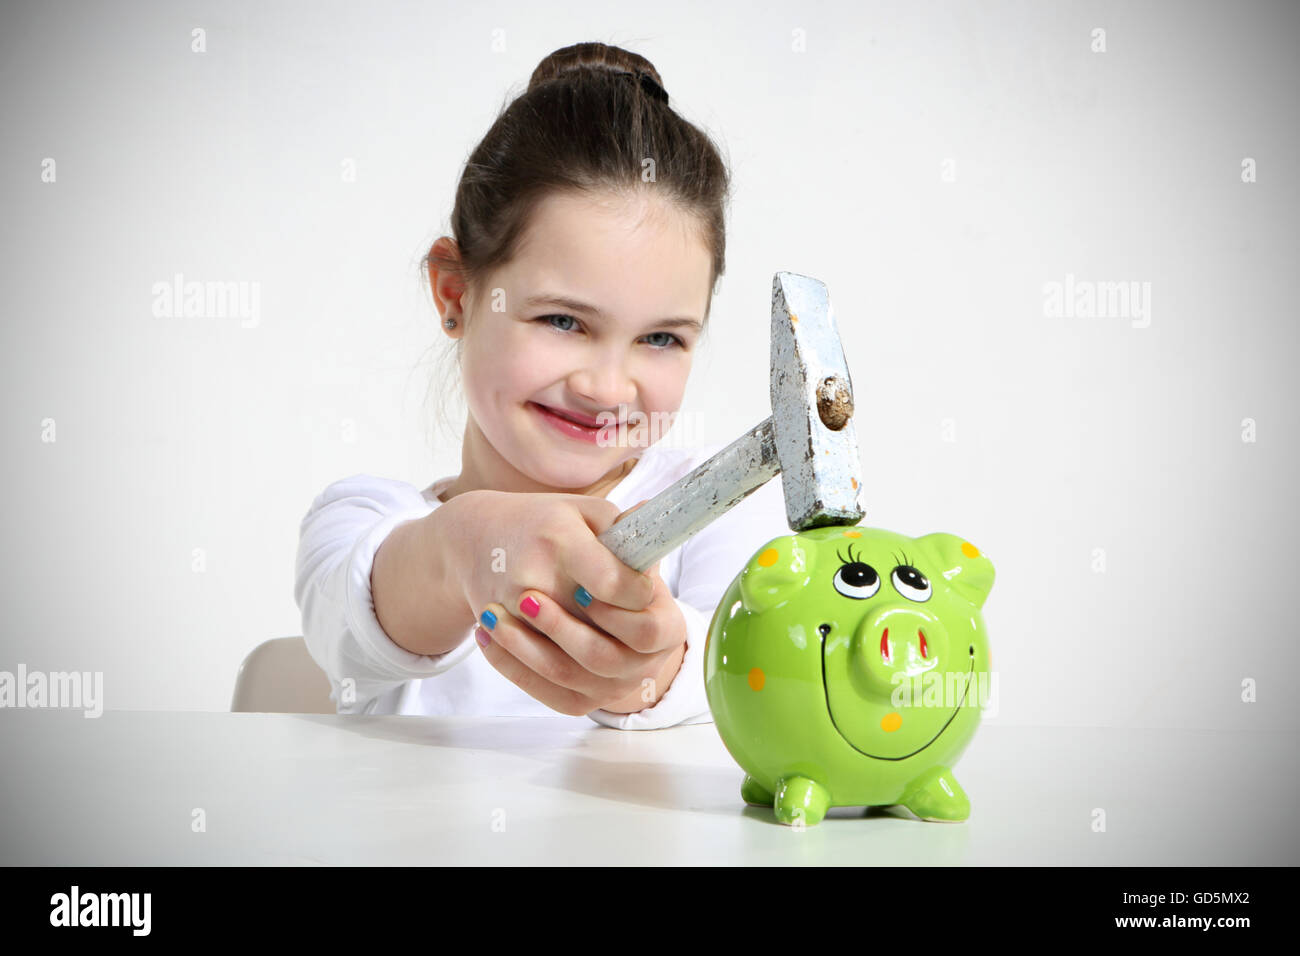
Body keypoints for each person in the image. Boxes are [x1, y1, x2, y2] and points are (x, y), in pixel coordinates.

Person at [293, 41, 792, 729]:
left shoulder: (729, 514)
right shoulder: (362, 523)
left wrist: (654, 666)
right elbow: (359, 616)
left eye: (660, 338)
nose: (607, 387)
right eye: (563, 320)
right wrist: (464, 545)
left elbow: (759, 677)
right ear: (455, 294)